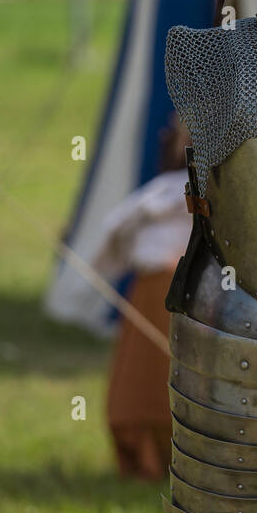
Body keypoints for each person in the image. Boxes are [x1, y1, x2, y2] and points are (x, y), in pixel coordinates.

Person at [92, 114, 191, 479]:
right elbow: (117, 229)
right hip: (161, 289)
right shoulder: (165, 190)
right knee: (150, 383)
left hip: (202, 292)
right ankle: (153, 453)